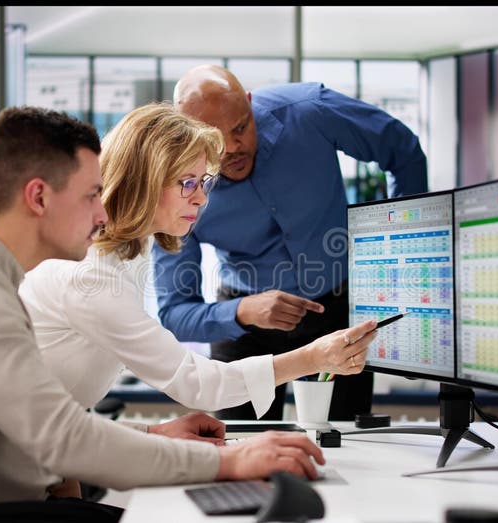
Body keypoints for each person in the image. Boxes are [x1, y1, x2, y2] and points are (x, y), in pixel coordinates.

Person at [0, 106, 330, 521]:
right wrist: (229, 460)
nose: (103, 211)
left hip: (15, 495)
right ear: (39, 197)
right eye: (92, 195)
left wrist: (151, 437)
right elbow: (61, 438)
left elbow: (40, 424)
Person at [19, 103, 377, 419]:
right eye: (187, 183)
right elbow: (193, 382)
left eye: (203, 181)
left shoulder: (128, 252)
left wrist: (153, 435)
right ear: (144, 180)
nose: (203, 198)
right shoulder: (91, 276)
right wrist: (314, 358)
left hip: (47, 447)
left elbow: (60, 414)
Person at [152, 65, 429, 421]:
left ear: (249, 105)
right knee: (238, 450)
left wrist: (399, 250)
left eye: (240, 128)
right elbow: (174, 313)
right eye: (215, 140)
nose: (233, 147)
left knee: (347, 444)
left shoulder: (309, 110)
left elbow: (402, 150)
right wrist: (241, 312)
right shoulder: (175, 191)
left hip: (339, 314)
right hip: (244, 329)